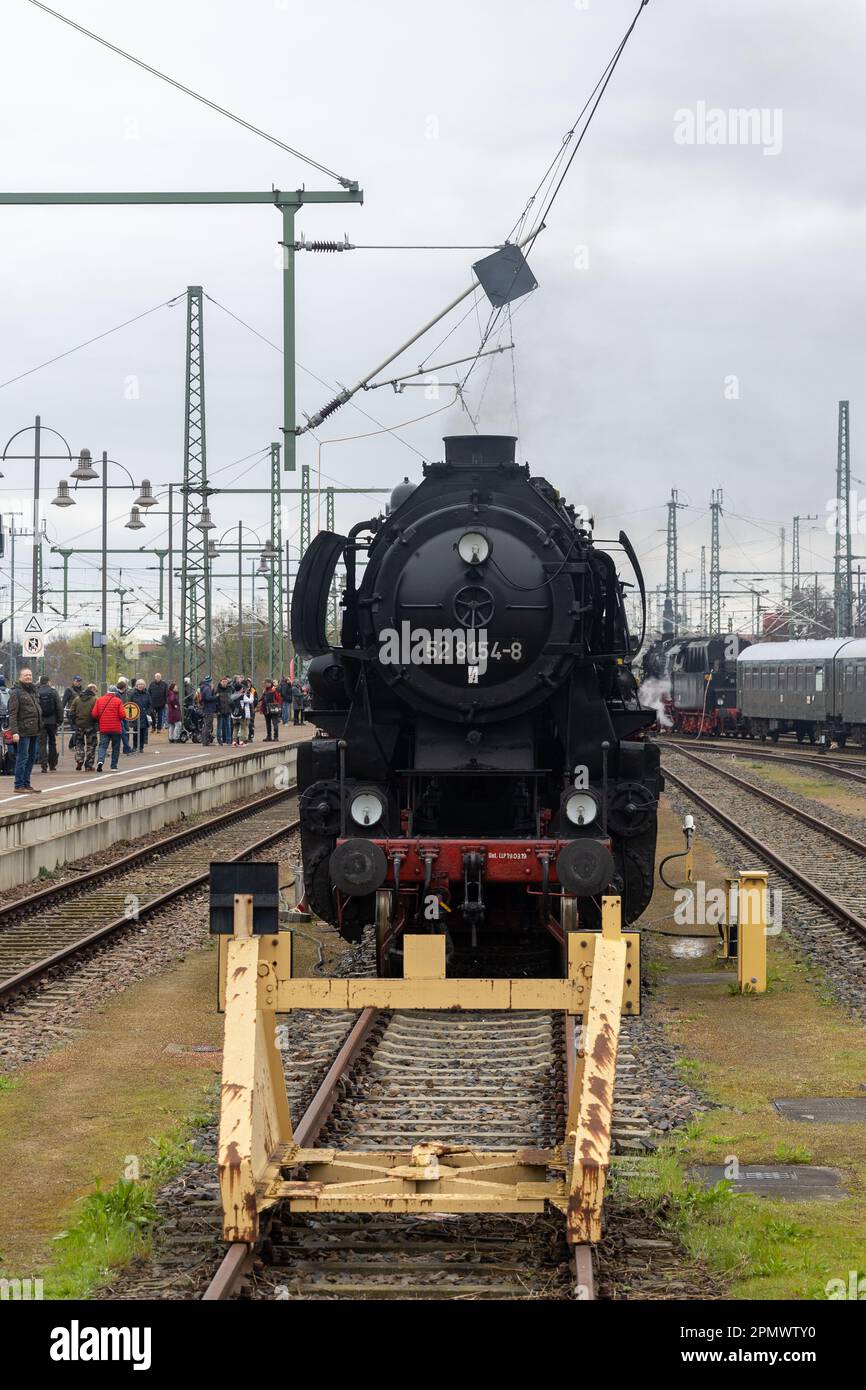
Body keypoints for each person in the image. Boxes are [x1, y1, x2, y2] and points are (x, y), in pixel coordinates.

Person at [8, 668, 43, 793]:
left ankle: (27, 783)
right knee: (22, 757)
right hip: (23, 731)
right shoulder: (16, 693)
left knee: (31, 758)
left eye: (30, 674)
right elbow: (12, 714)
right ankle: (19, 785)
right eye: (25, 675)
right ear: (20, 677)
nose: (28, 677)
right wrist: (15, 732)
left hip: (35, 730)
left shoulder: (32, 691)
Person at [92, 685, 127, 771]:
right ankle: (113, 766)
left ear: (107, 691)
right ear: (115, 692)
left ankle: (100, 761)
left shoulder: (99, 700)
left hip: (104, 728)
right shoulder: (118, 701)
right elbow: (123, 715)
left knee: (103, 746)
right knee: (115, 747)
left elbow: (94, 714)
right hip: (116, 729)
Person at [69, 682, 99, 771]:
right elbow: (97, 713)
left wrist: (74, 723)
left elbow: (71, 712)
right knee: (91, 745)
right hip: (91, 726)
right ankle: (89, 765)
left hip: (79, 725)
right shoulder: (95, 700)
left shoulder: (77, 699)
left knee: (79, 744)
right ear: (93, 690)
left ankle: (79, 759)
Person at [37, 674, 63, 772]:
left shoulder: (37, 692)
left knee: (42, 743)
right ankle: (52, 764)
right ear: (48, 682)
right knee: (52, 742)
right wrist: (59, 720)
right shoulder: (53, 692)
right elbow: (59, 707)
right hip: (52, 721)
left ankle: (43, 766)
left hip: (41, 721)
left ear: (40, 682)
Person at [132, 679, 152, 752]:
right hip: (136, 716)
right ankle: (134, 746)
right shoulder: (133, 694)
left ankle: (141, 747)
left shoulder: (147, 694)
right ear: (136, 686)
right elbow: (130, 704)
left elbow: (150, 705)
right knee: (135, 732)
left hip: (144, 716)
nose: (140, 686)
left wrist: (148, 713)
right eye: (139, 684)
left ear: (144, 685)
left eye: (142, 684)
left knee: (143, 732)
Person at [115, 676, 133, 755]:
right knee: (120, 733)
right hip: (118, 716)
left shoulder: (128, 693)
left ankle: (126, 749)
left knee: (126, 731)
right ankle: (121, 748)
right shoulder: (116, 694)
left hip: (125, 715)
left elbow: (130, 703)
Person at [199, 675, 218, 745]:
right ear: (210, 681)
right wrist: (216, 697)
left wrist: (212, 690)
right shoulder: (207, 689)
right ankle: (205, 741)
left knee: (206, 725)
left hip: (206, 709)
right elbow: (208, 698)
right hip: (208, 709)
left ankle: (205, 740)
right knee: (208, 725)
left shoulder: (204, 688)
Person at [215, 677, 233, 745]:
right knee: (219, 726)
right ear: (220, 682)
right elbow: (216, 701)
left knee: (228, 725)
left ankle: (228, 739)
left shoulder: (229, 689)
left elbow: (231, 700)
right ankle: (219, 739)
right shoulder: (218, 690)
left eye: (226, 681)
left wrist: (231, 708)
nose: (225, 683)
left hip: (228, 710)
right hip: (220, 710)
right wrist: (217, 710)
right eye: (223, 681)